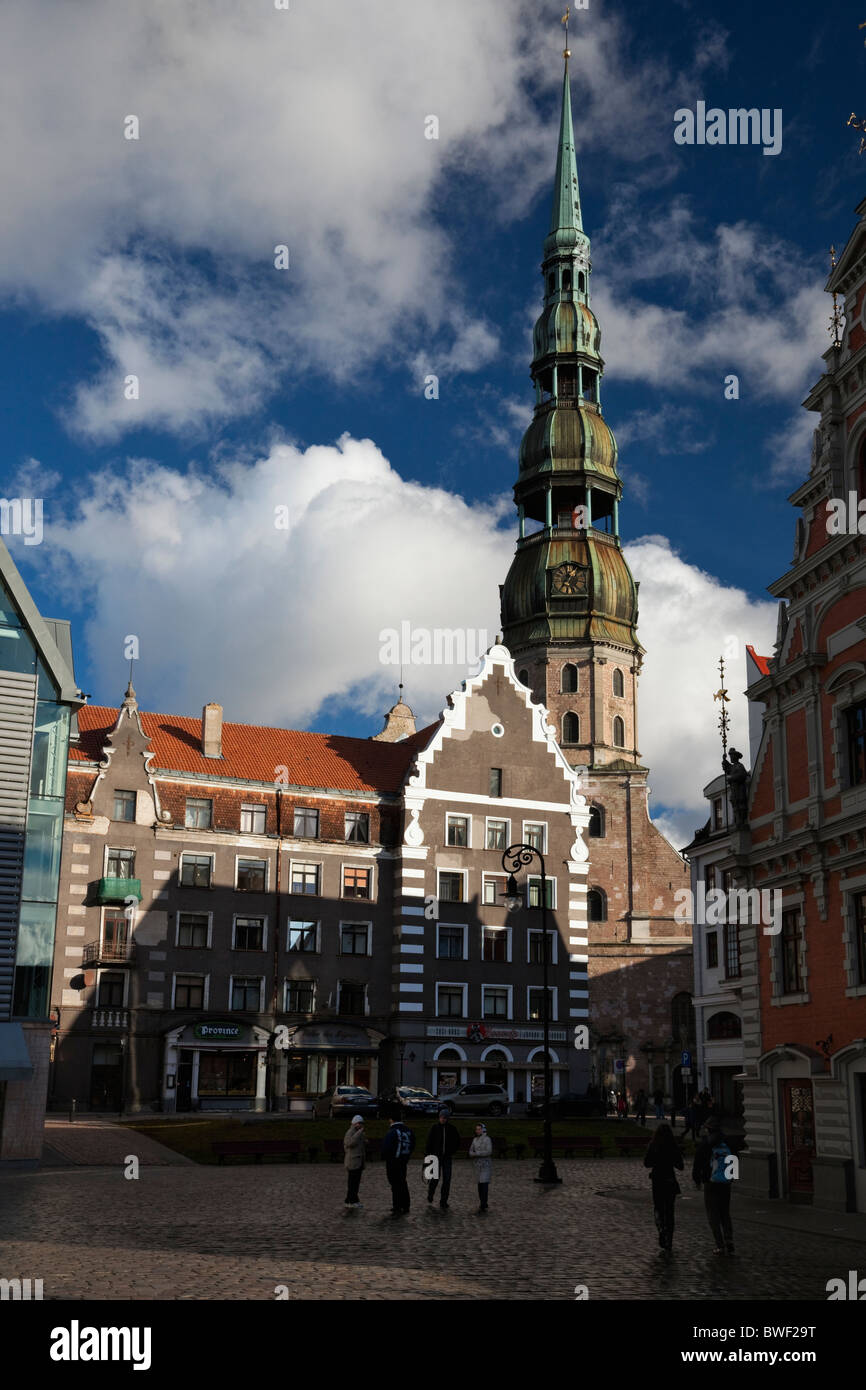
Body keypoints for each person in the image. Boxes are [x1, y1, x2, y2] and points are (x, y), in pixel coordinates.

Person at [692, 1119, 735, 1255]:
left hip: (711, 1182)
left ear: (708, 1129)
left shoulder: (705, 1144)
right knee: (725, 1213)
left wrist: (697, 1179)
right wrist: (732, 1177)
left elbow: (697, 1163)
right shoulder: (728, 1142)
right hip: (725, 1182)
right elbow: (734, 1159)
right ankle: (729, 1240)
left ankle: (720, 1245)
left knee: (713, 1215)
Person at [643, 1123, 684, 1259]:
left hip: (657, 1181)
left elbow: (647, 1163)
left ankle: (661, 1229)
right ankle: (669, 1240)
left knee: (658, 1208)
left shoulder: (653, 1145)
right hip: (670, 1180)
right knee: (670, 1211)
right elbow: (680, 1166)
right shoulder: (672, 1146)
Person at [381, 1106, 415, 1215]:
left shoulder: (392, 1132)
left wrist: (384, 1156)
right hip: (403, 1160)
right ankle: (405, 1205)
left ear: (391, 1119)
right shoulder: (408, 1130)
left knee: (395, 1184)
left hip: (393, 1161)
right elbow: (413, 1144)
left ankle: (397, 1205)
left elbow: (386, 1147)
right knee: (402, 1182)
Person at [425, 1108, 460, 1208]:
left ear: (447, 1118)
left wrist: (452, 1151)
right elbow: (429, 1142)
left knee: (447, 1180)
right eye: (441, 1117)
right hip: (436, 1157)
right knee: (435, 1178)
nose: (443, 1119)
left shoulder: (452, 1129)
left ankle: (443, 1201)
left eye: (445, 1118)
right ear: (439, 1117)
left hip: (447, 1157)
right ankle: (430, 1194)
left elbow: (457, 1141)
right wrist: (429, 1155)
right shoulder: (434, 1128)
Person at [343, 1115, 366, 1208]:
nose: (361, 1125)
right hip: (353, 1162)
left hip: (358, 1161)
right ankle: (352, 1201)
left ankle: (351, 1200)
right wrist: (359, 1133)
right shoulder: (350, 1132)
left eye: (362, 1124)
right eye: (360, 1123)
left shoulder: (358, 1132)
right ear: (355, 1123)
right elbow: (349, 1143)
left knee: (355, 1183)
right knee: (352, 1183)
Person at [469, 1123, 493, 1212]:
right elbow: (470, 1151)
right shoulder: (474, 1140)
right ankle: (482, 1201)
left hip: (486, 1165)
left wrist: (477, 1154)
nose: (477, 1131)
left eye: (479, 1129)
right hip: (477, 1165)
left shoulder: (487, 1139)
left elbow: (489, 1151)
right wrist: (474, 1154)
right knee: (479, 1184)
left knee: (484, 1183)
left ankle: (483, 1202)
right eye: (476, 1129)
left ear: (483, 1130)